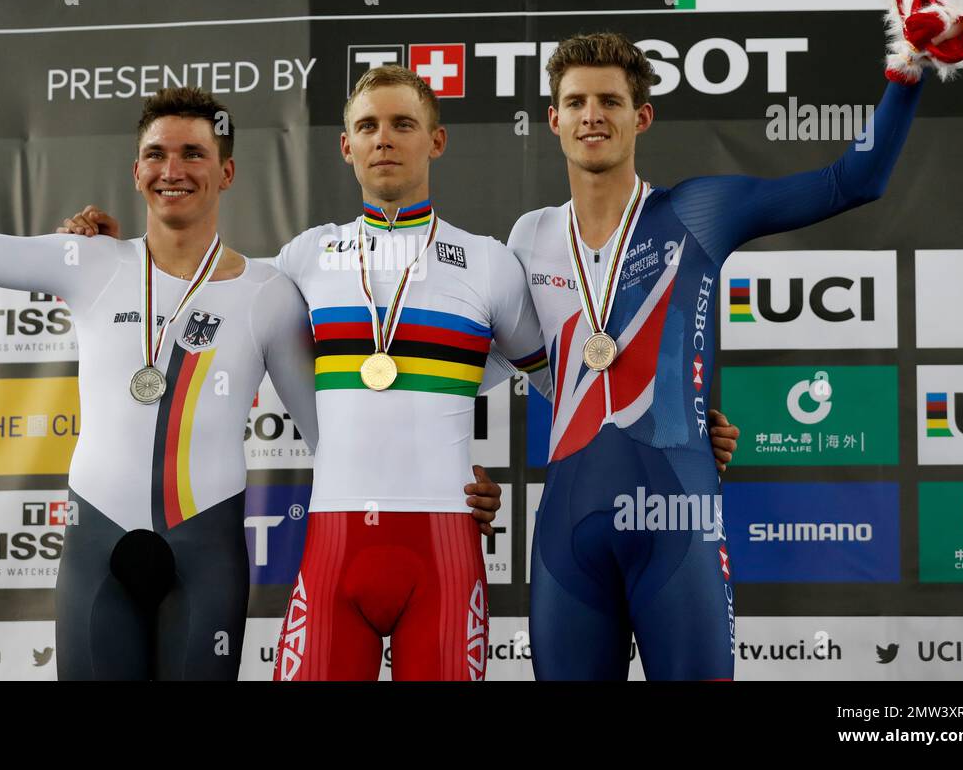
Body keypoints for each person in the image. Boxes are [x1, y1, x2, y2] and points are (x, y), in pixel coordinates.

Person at [60, 66, 740, 680]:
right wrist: (114, 254)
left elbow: (567, 380)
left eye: (403, 124)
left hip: (442, 549)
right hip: (333, 552)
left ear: (435, 142)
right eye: (367, 126)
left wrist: (668, 428)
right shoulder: (304, 257)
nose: (384, 139)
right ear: (345, 146)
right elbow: (207, 292)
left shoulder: (487, 261)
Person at [0, 55, 321, 679]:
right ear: (136, 172)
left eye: (193, 153)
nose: (173, 170)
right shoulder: (88, 260)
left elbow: (327, 439)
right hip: (94, 547)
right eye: (156, 155)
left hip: (205, 552)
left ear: (227, 170)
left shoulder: (269, 293)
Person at [511, 29, 927, 680]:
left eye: (611, 101)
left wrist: (909, 68)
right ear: (553, 118)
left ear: (640, 116)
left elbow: (855, 180)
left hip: (679, 522)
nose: (592, 114)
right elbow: (536, 371)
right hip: (570, 530)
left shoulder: (698, 211)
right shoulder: (529, 236)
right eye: (577, 101)